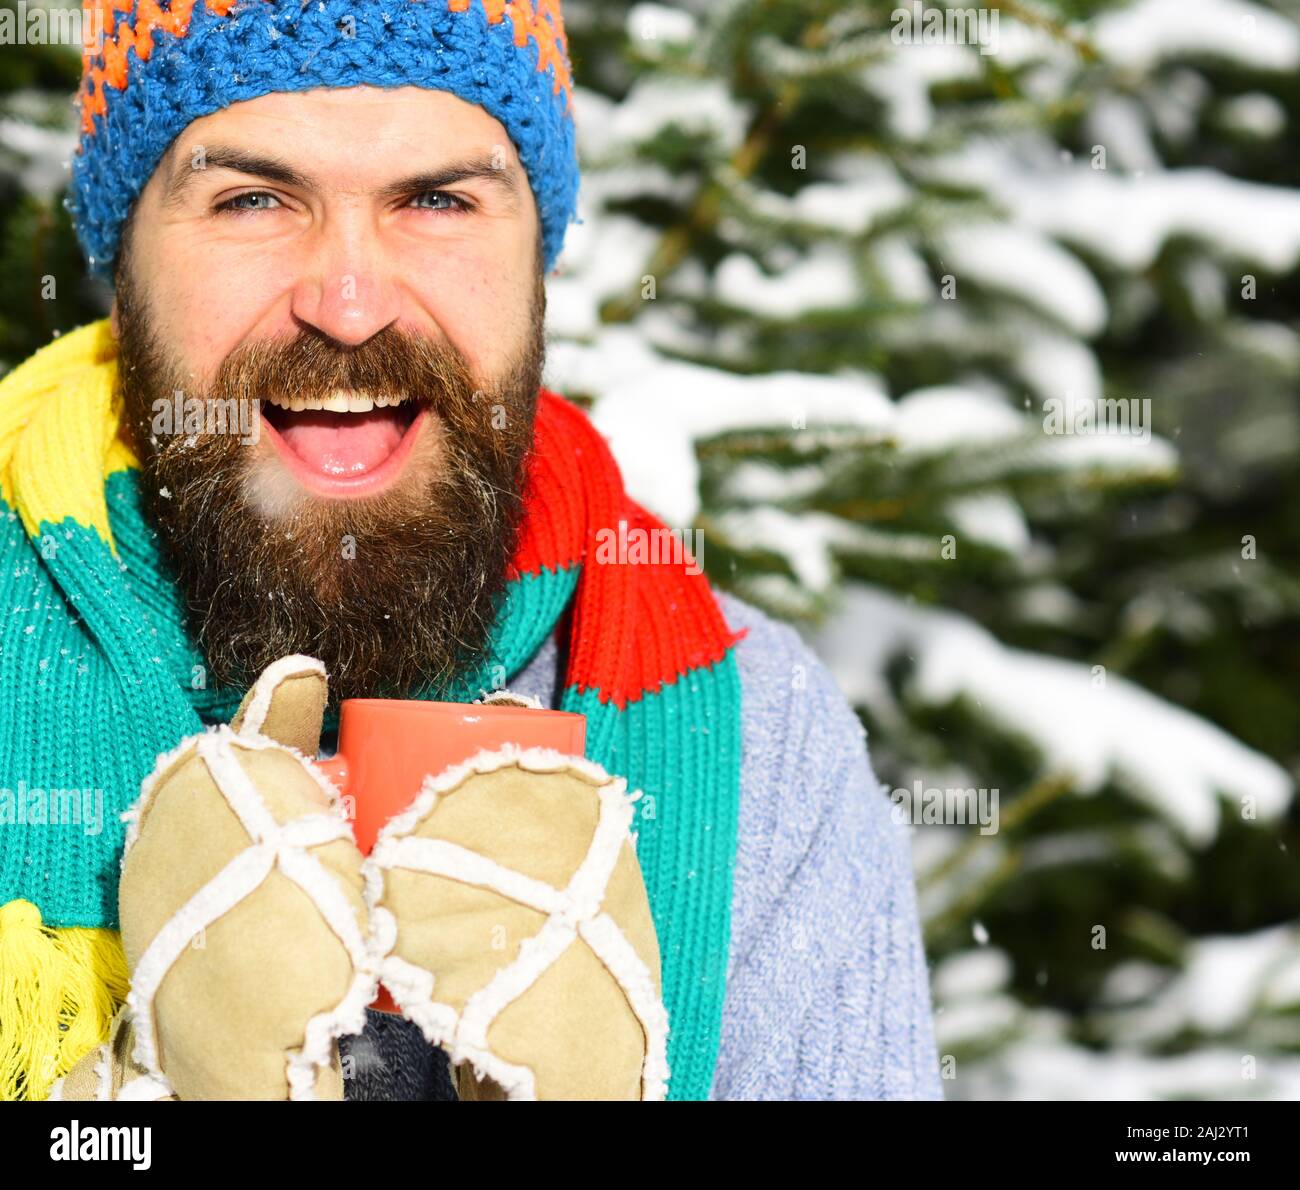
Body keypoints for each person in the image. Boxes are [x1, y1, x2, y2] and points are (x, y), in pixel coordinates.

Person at [0, 0, 943, 1102]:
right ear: (124, 263)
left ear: (537, 256)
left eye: (438, 199)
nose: (348, 305)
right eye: (252, 199)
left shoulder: (763, 726)